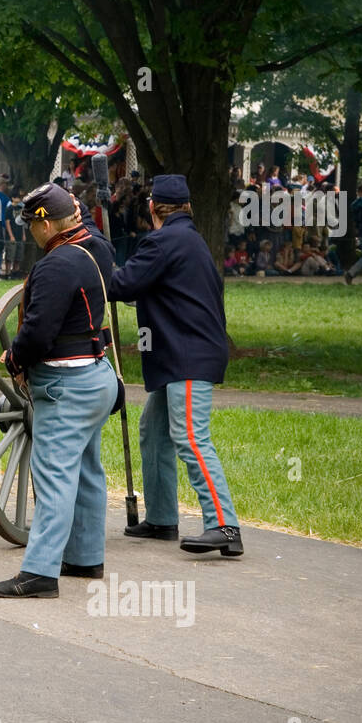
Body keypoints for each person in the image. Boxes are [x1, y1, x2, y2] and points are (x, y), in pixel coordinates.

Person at [0, 184, 119, 597]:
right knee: (88, 472)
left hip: (67, 383)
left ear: (45, 222)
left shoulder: (55, 265)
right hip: (97, 377)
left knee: (54, 478)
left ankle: (40, 573)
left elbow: (38, 333)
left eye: (32, 224)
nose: (30, 232)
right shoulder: (92, 250)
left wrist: (13, 359)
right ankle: (84, 557)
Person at [109, 174, 242, 557]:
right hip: (186, 350)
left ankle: (225, 527)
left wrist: (97, 255)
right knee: (153, 430)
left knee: (191, 439)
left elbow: (122, 285)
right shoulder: (188, 239)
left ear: (152, 208)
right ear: (186, 207)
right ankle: (163, 518)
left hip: (188, 354)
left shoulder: (164, 240)